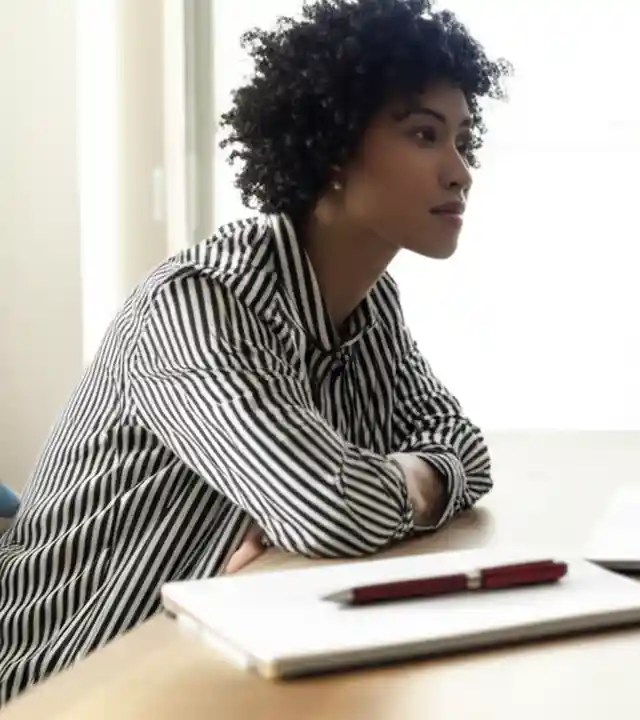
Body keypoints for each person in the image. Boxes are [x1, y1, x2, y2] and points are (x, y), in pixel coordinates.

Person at [0, 0, 509, 704]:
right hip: (60, 676)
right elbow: (331, 508)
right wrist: (405, 483)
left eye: (462, 140)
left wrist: (383, 482)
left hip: (205, 664)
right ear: (332, 149)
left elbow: (463, 448)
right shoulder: (199, 305)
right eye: (425, 135)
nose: (460, 173)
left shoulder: (370, 305)